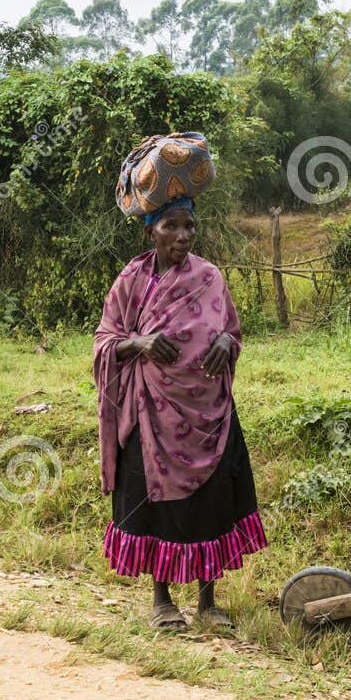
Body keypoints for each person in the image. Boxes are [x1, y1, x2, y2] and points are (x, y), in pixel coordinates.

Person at [94, 195, 266, 631]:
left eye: (189, 225)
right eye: (171, 225)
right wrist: (141, 343)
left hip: (210, 412)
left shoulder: (209, 277)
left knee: (211, 502)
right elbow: (105, 341)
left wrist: (229, 343)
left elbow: (230, 330)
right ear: (150, 230)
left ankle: (209, 602)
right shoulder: (132, 280)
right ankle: (162, 599)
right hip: (151, 412)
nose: (183, 235)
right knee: (158, 505)